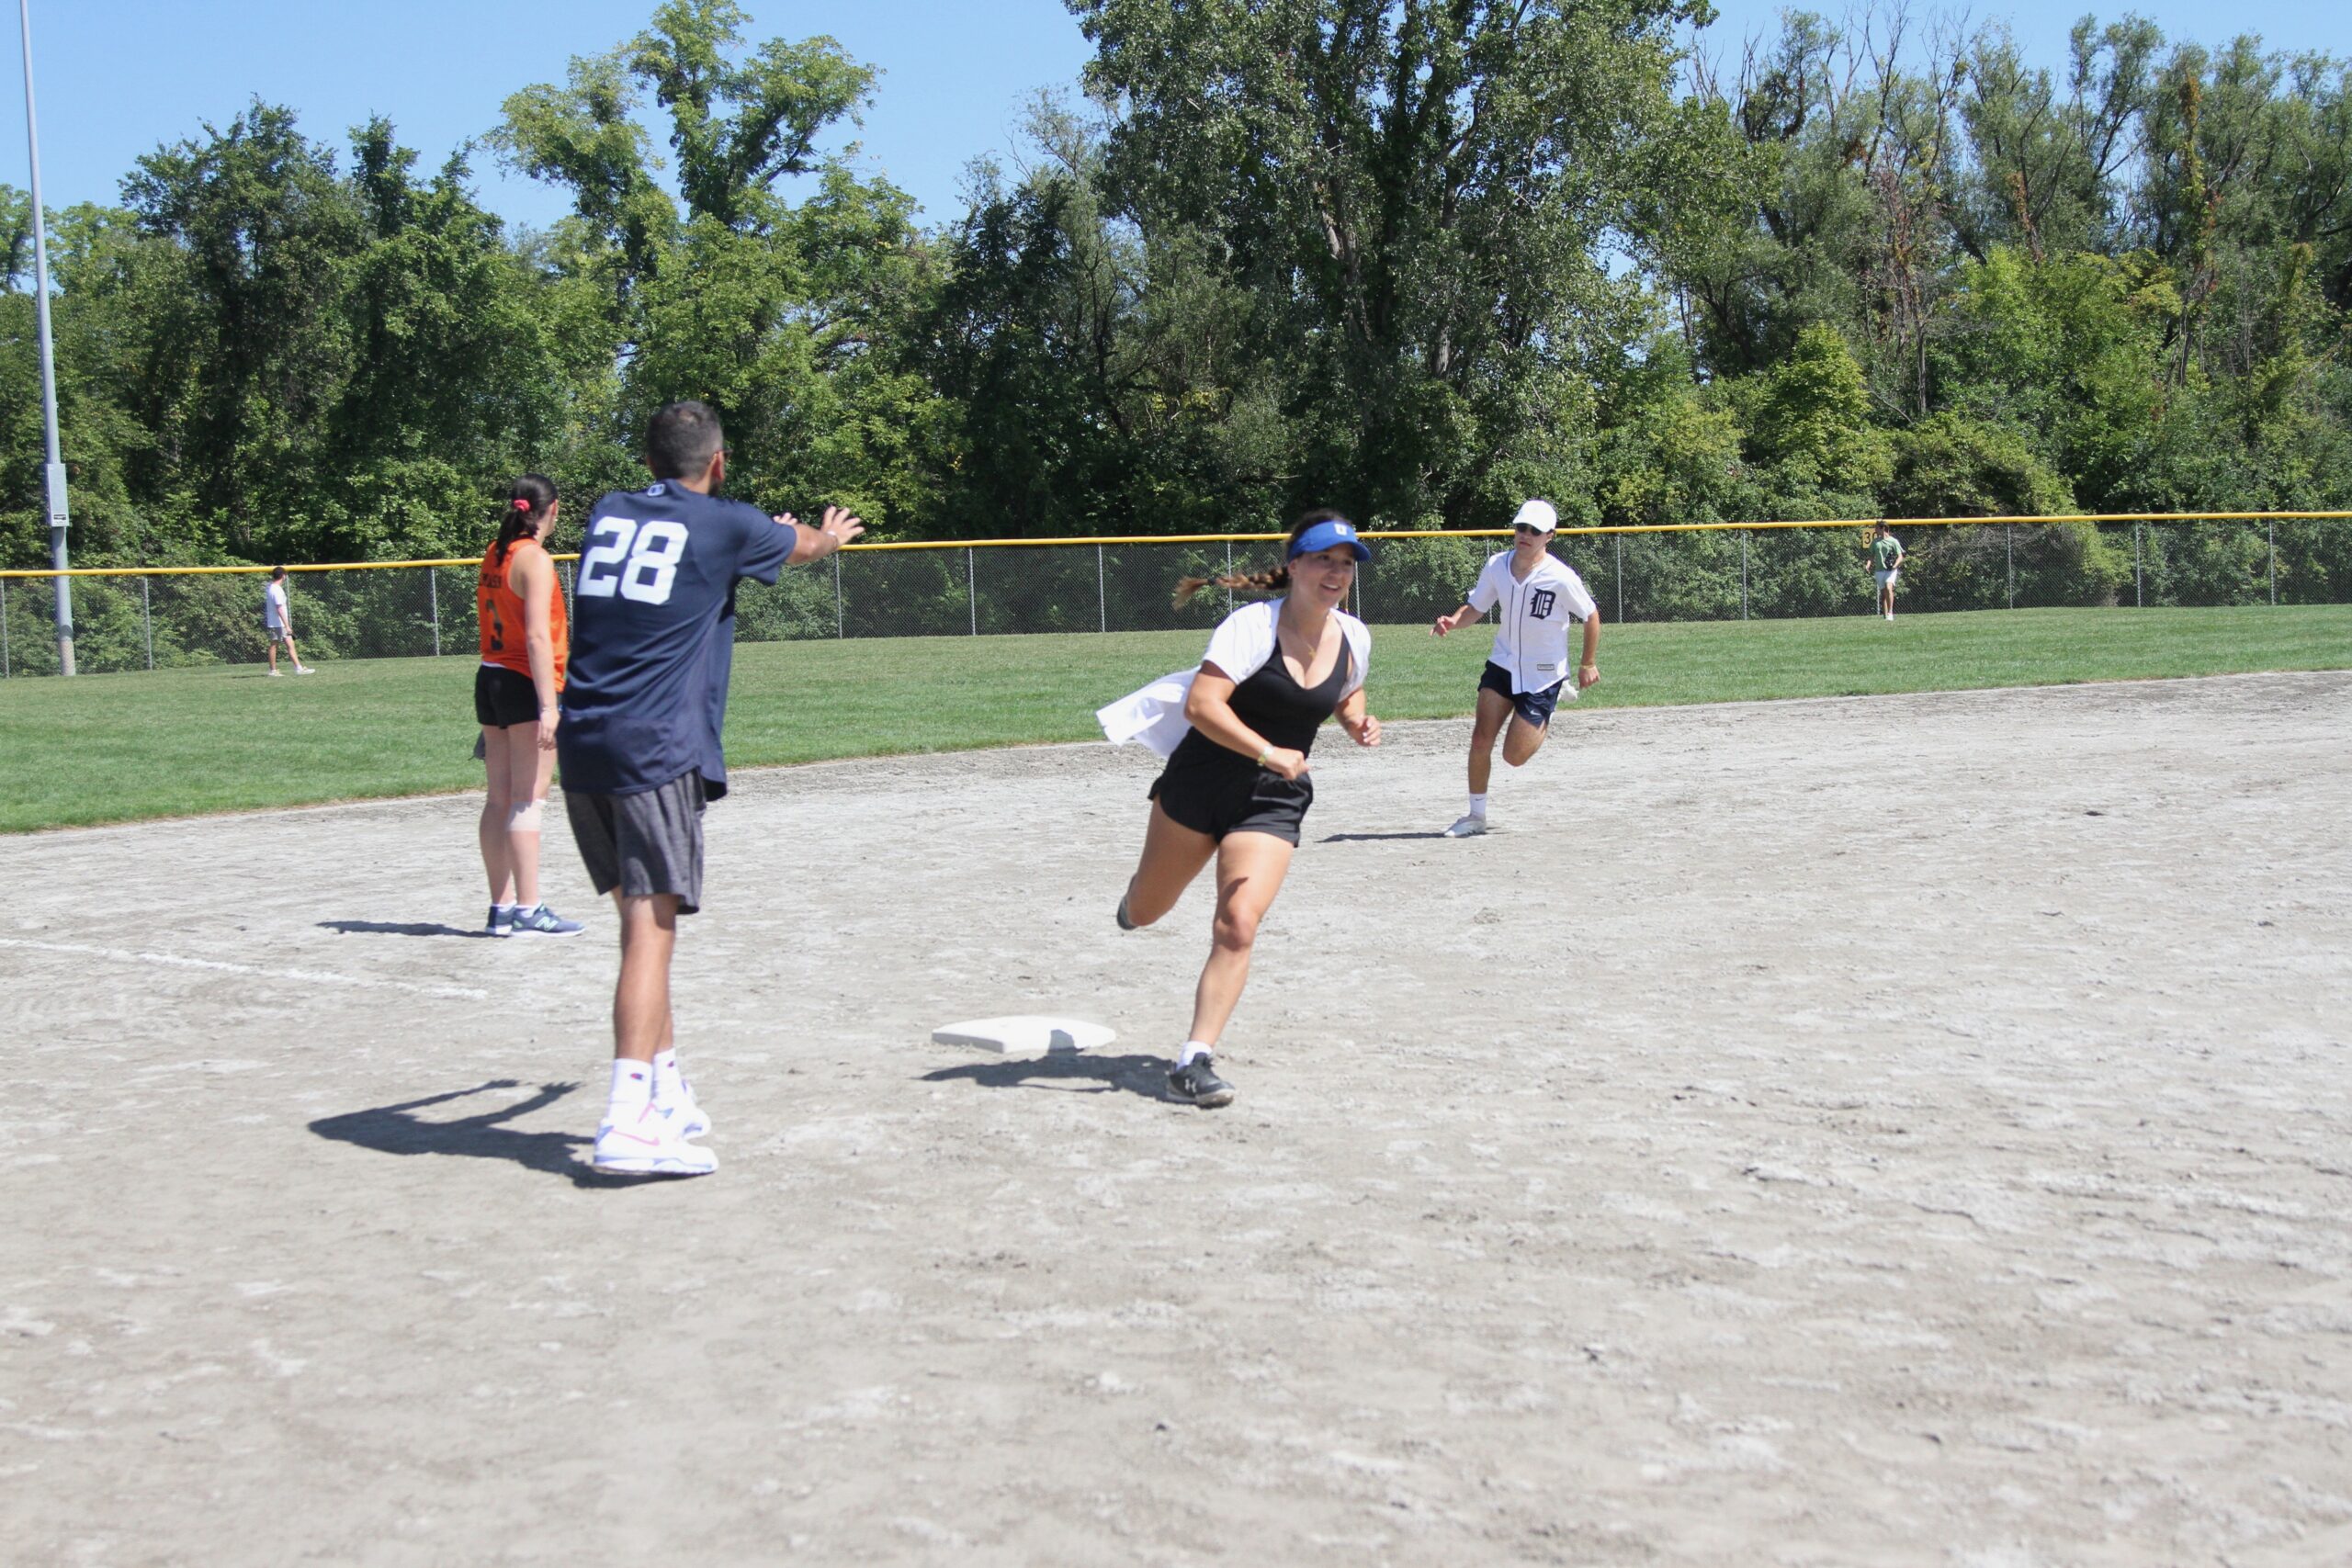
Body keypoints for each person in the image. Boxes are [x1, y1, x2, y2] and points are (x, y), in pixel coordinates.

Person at [559, 400, 863, 1178]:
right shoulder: (726, 522)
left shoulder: (606, 511)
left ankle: (664, 1090)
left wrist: (754, 530)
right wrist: (826, 534)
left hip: (584, 742)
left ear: (649, 458)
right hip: (652, 746)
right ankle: (627, 1118)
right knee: (649, 927)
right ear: (717, 462)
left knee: (643, 916)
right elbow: (801, 545)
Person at [1102, 512, 1380, 1109]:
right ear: (1296, 564)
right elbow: (1204, 705)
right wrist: (1265, 749)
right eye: (1325, 559)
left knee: (1239, 921)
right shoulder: (1252, 626)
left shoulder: (1354, 636)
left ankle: (1192, 1059)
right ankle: (1133, 900)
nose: (1337, 572)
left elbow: (1345, 690)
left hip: (1274, 796)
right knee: (1150, 909)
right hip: (1203, 779)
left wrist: (1357, 720)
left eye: (1347, 562)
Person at [1430, 499, 1600, 837]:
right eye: (1521, 527)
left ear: (1549, 535)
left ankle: (1550, 703)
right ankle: (1475, 817)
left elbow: (1591, 616)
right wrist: (1453, 621)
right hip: (1503, 663)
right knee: (1481, 739)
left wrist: (1587, 663)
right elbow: (1476, 608)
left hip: (1543, 674)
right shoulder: (1496, 565)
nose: (1525, 535)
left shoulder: (1561, 577)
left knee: (1514, 756)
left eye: (1535, 530)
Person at [476, 476, 583, 939]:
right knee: (528, 800)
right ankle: (528, 908)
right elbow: (538, 637)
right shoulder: (535, 559)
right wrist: (549, 706)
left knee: (498, 799)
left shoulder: (496, 550)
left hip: (490, 677)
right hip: (525, 682)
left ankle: (500, 908)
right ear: (552, 510)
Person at [262, 567, 313, 675]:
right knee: (274, 645)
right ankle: (273, 671)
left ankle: (298, 668)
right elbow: (279, 608)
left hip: (279, 623)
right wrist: (287, 625)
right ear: (283, 576)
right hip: (277, 623)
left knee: (290, 644)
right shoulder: (276, 589)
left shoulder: (271, 587)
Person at [1871, 521, 1905, 620]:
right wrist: (1868, 564)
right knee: (1883, 593)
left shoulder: (1893, 541)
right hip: (1879, 570)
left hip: (1891, 570)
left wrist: (1894, 566)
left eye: (1876, 528)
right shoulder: (1875, 542)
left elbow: (1901, 556)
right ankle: (1885, 615)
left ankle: (1890, 613)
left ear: (1882, 528)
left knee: (1889, 587)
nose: (1875, 530)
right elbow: (1871, 556)